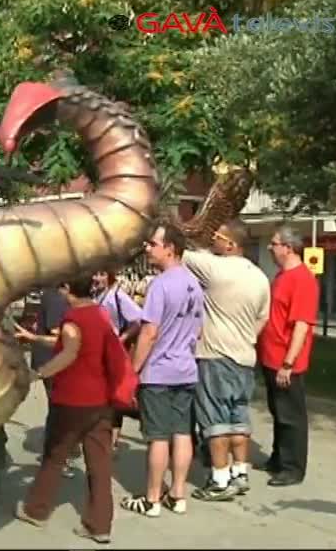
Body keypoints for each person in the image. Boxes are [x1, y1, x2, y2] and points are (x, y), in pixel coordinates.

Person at [13, 276, 137, 544]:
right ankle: (100, 525)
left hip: (72, 401)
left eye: (61, 287)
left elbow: (69, 351)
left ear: (68, 289)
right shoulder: (100, 314)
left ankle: (36, 510)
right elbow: (76, 345)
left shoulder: (73, 320)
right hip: (101, 401)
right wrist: (34, 337)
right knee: (100, 465)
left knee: (54, 457)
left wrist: (38, 373)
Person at [181, 220, 270, 501]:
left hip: (215, 355)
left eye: (217, 237)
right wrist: (245, 337)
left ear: (231, 244)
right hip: (245, 356)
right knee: (239, 415)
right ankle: (240, 473)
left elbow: (179, 252)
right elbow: (263, 317)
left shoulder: (216, 269)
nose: (213, 241)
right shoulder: (260, 276)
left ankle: (219, 479)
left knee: (215, 419)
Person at [121, 222, 204, 517]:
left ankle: (153, 498)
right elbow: (199, 330)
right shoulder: (194, 284)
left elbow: (148, 333)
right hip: (186, 369)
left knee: (157, 436)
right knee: (182, 432)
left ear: (170, 248)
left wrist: (133, 370)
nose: (147, 248)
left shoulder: (161, 285)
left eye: (152, 244)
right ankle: (178, 494)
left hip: (159, 372)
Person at [259, 226, 319, 487]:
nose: (270, 248)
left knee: (291, 416)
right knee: (278, 411)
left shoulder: (303, 280)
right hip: (270, 357)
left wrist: (288, 364)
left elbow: (302, 326)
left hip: (286, 363)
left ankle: (293, 468)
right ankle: (279, 457)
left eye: (274, 244)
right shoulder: (282, 276)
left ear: (288, 247)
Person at [31, 285, 82, 475]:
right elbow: (56, 332)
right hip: (52, 360)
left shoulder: (54, 295)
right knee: (60, 410)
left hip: (53, 359)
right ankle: (56, 457)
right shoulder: (55, 298)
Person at [91, 269, 143, 450]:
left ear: (110, 276)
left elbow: (138, 319)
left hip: (114, 352)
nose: (97, 278)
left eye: (102, 274)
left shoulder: (117, 295)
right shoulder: (97, 295)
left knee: (114, 398)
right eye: (96, 275)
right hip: (100, 352)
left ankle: (111, 441)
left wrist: (122, 338)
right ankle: (104, 437)